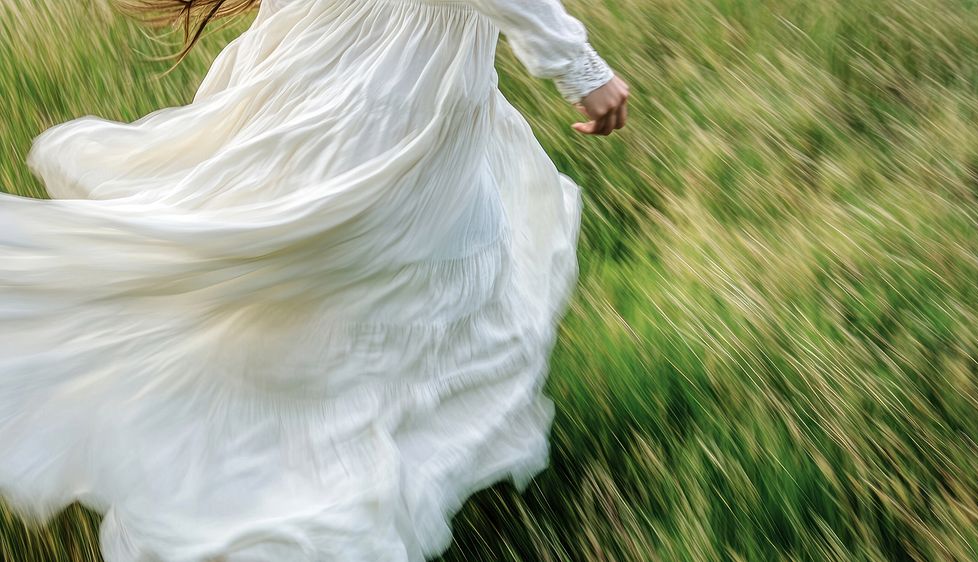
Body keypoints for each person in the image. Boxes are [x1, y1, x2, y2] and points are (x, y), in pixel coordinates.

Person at [0, 0, 629, 559]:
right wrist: (579, 67)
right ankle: (293, 494)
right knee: (378, 277)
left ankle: (257, 455)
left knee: (337, 284)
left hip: (352, 67)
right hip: (382, 91)